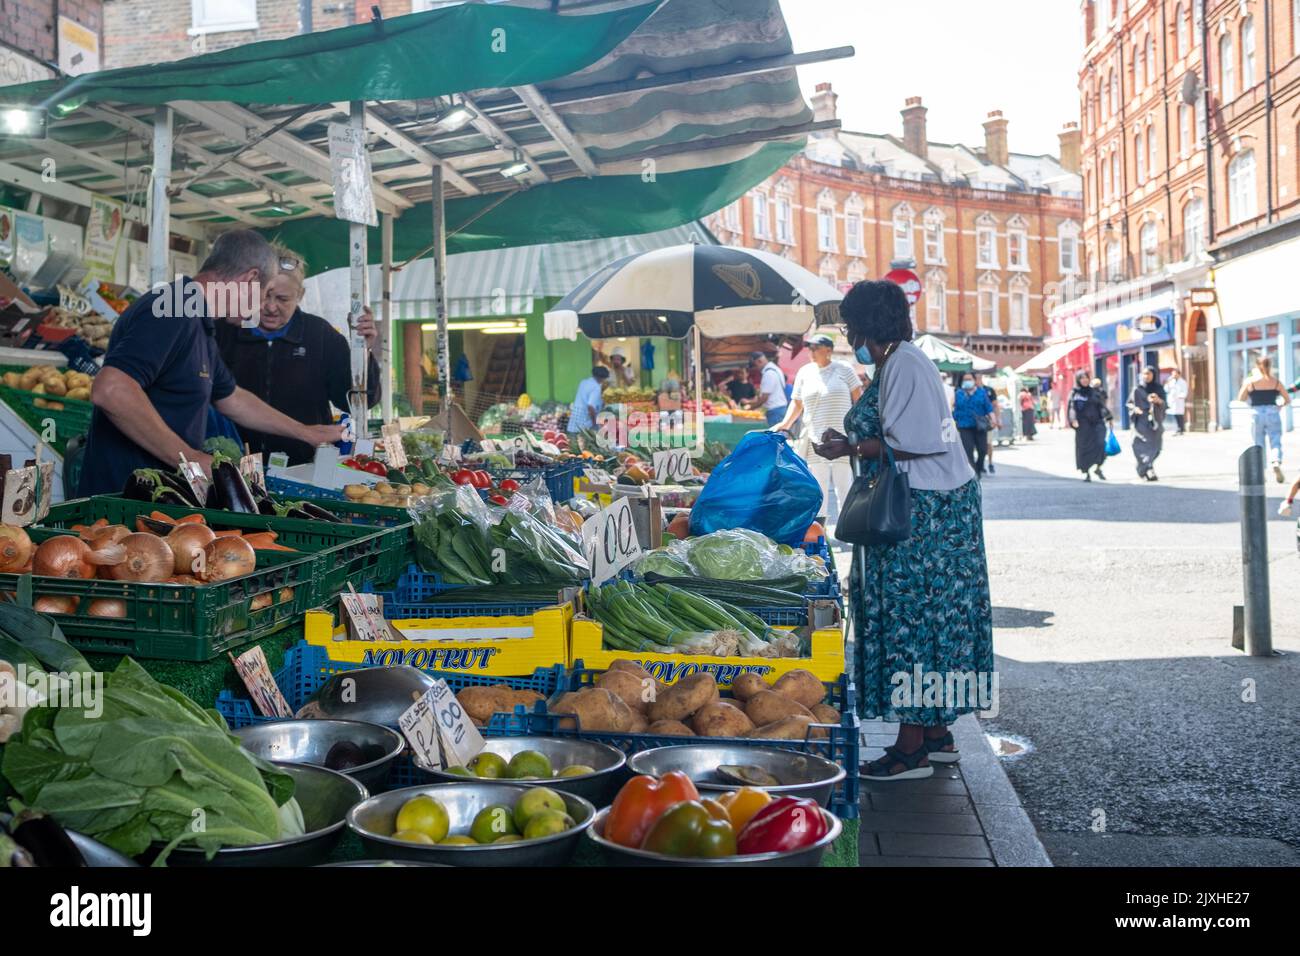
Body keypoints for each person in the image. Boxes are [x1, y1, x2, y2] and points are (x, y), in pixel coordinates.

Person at [814, 280, 991, 781]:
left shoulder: (906, 363)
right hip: (928, 511)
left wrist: (849, 449)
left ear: (873, 324)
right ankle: (936, 737)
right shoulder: (895, 362)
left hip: (925, 519)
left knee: (914, 622)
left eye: (852, 326)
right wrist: (853, 442)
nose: (849, 336)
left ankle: (910, 749)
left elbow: (914, 442)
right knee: (931, 621)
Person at [81, 230, 344, 497]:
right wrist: (190, 459)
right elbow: (111, 389)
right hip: (121, 499)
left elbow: (232, 398)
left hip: (158, 497)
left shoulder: (199, 320)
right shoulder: (173, 307)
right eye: (264, 293)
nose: (263, 306)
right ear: (251, 279)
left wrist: (304, 432)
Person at [214, 248, 380, 465]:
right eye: (265, 296)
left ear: (300, 295)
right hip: (230, 462)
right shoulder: (224, 331)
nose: (271, 307)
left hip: (303, 466)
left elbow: (356, 401)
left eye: (283, 299)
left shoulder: (321, 335)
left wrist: (363, 354)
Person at [770, 332, 863, 522]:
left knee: (844, 486)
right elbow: (797, 404)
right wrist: (785, 424)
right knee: (818, 488)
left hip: (842, 439)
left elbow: (858, 401)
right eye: (809, 348)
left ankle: (848, 528)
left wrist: (860, 430)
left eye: (815, 347)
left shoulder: (845, 369)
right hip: (815, 439)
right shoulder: (805, 372)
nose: (811, 351)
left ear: (828, 350)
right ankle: (820, 532)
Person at [1237, 356, 1287, 483]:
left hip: (1256, 412)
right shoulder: (1275, 381)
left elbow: (1241, 398)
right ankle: (1276, 461)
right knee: (1275, 439)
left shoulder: (1251, 381)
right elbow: (1287, 399)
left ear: (1256, 366)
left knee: (1258, 442)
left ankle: (1260, 471)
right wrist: (1279, 405)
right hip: (1272, 411)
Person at [1069, 369, 1110, 481]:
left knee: (1100, 445)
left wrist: (1108, 416)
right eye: (1082, 378)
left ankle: (1098, 467)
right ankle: (1087, 472)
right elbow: (1072, 408)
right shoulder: (1075, 393)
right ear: (1078, 380)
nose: (1085, 380)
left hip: (1097, 424)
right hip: (1083, 426)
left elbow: (1101, 405)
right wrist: (1073, 420)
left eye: (1086, 377)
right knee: (1085, 449)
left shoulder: (1094, 392)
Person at [953, 372, 995, 478]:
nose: (967, 381)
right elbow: (953, 407)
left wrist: (993, 419)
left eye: (969, 379)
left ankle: (979, 466)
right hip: (964, 425)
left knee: (983, 450)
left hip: (980, 426)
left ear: (974, 380)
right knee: (968, 450)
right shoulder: (958, 393)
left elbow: (988, 407)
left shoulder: (981, 392)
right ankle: (974, 473)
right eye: (965, 379)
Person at [1128, 366, 1166, 481]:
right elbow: (1129, 404)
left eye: (1149, 374)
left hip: (1155, 421)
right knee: (1139, 445)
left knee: (1156, 447)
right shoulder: (1137, 389)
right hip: (1141, 422)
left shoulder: (1158, 389)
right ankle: (1147, 468)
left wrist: (1158, 401)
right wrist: (1135, 409)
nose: (1147, 376)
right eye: (1144, 374)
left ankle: (1144, 467)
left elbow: (1164, 404)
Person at [741, 349, 790, 427]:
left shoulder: (768, 374)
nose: (756, 369)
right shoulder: (776, 369)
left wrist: (749, 409)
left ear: (759, 361)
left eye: (755, 366)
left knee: (775, 437)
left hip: (775, 411)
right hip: (779, 409)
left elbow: (764, 398)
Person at [567, 366, 610, 433]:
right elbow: (590, 406)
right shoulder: (596, 387)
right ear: (602, 378)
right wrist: (594, 423)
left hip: (575, 417)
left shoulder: (583, 382)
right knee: (582, 440)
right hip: (584, 422)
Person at [977, 374, 1000, 473]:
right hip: (974, 422)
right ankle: (979, 464)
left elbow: (995, 405)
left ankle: (990, 463)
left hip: (987, 422)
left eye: (979, 377)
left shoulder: (989, 390)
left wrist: (997, 419)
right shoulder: (970, 391)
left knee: (988, 443)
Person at [1165, 367, 1189, 435]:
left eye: (1175, 374)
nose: (1174, 376)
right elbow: (1166, 389)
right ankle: (1177, 429)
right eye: (1173, 374)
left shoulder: (1183, 382)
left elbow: (1184, 392)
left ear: (1179, 374)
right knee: (1175, 415)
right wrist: (1167, 383)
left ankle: (1181, 429)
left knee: (1179, 416)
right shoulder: (1171, 382)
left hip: (1179, 401)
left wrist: (1179, 397)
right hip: (1173, 401)